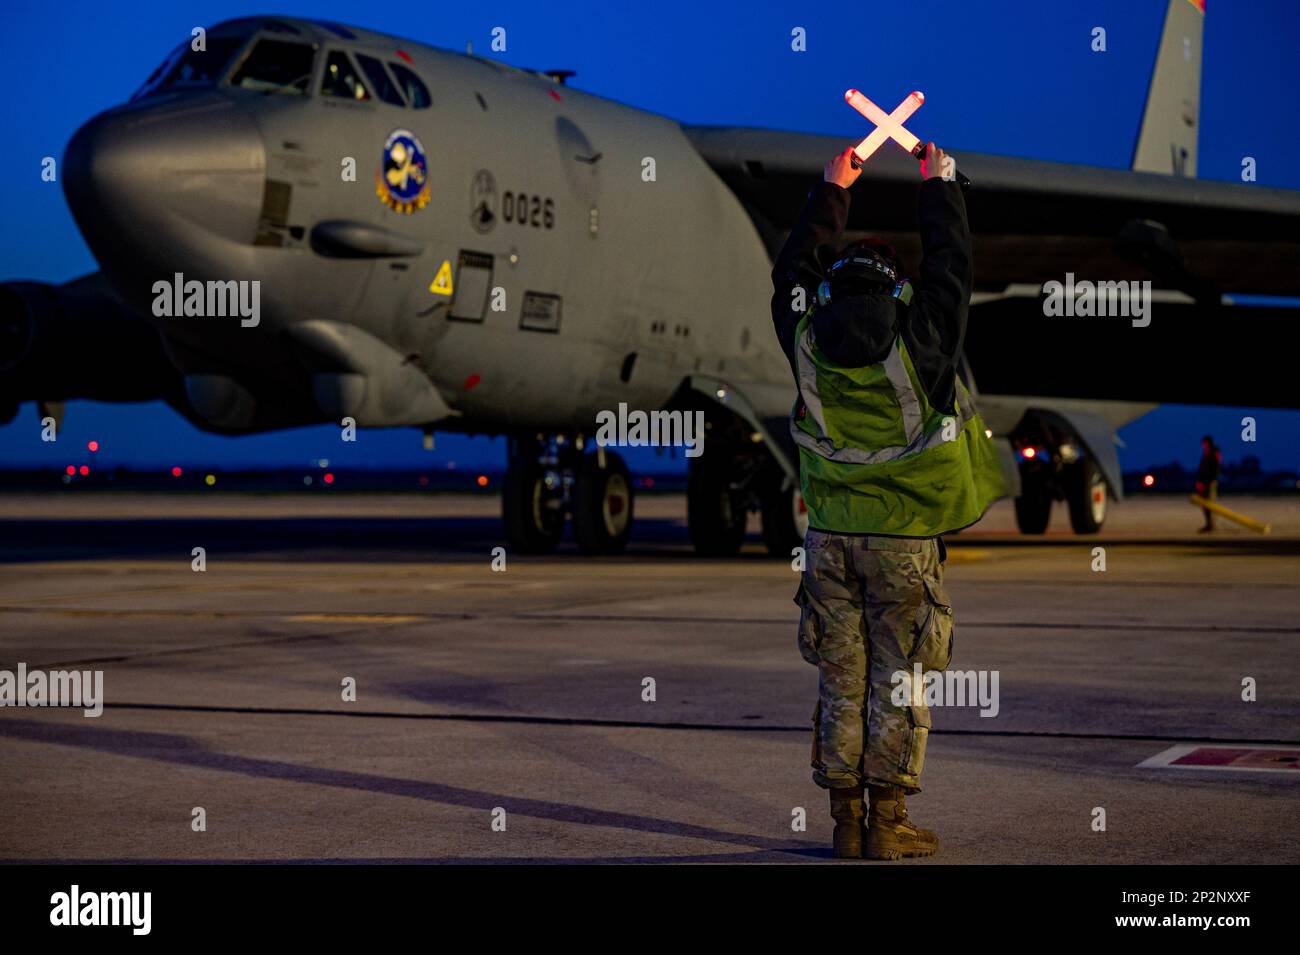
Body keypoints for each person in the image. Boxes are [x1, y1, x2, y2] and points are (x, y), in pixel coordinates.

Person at [770, 144, 1006, 860]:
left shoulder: (806, 341)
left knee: (843, 677)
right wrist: (939, 186)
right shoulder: (919, 344)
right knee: (897, 677)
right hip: (902, 543)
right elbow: (951, 271)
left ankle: (845, 821)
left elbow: (789, 273)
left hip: (829, 540)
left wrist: (831, 190)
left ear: (832, 293)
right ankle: (888, 823)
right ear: (893, 292)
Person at [1195, 435, 1221, 532]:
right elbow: (1202, 470)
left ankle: (1211, 525)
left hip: (1210, 482)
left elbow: (1215, 468)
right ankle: (1208, 524)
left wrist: (1210, 481)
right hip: (1203, 482)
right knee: (1204, 504)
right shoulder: (1206, 454)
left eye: (1204, 443)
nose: (1203, 445)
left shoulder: (1214, 452)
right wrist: (1199, 481)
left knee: (1210, 504)